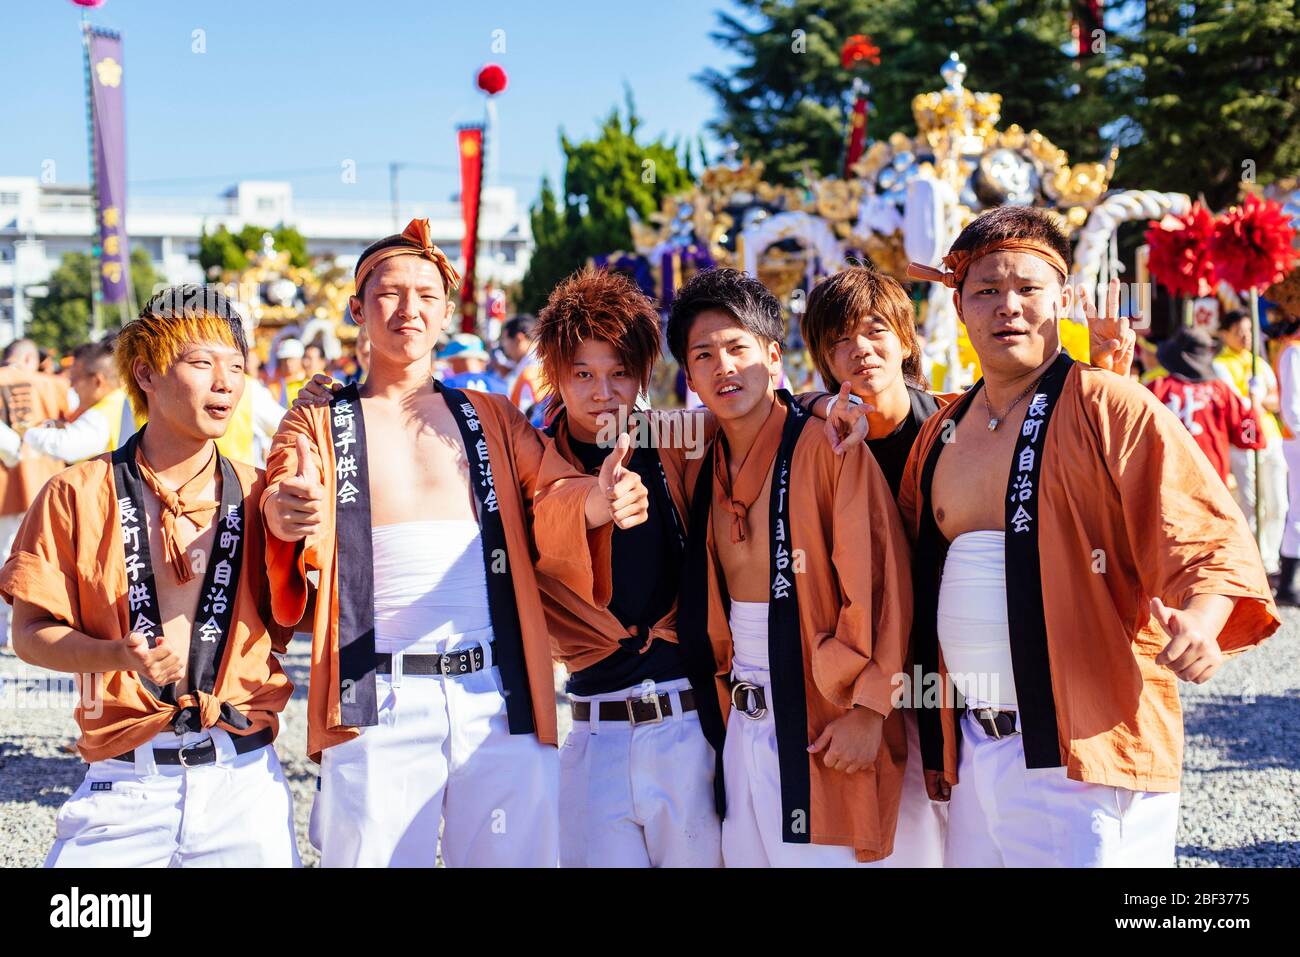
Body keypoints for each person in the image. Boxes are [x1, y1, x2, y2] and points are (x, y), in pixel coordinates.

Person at [260, 218, 650, 868]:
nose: (407, 308)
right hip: (374, 691)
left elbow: (550, 489)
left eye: (425, 293)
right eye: (389, 292)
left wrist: (597, 501)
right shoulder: (319, 417)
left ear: (446, 309)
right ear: (358, 307)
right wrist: (284, 511)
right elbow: (286, 484)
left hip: (497, 692)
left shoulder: (487, 413)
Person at [900, 205, 1279, 867]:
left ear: (1063, 300)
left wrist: (1202, 619)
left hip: (1085, 754)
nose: (1008, 307)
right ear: (959, 307)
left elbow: (1201, 532)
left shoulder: (1108, 402)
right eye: (987, 290)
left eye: (1028, 289)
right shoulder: (944, 427)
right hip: (973, 747)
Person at [0, 286, 298, 867]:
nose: (225, 382)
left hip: (244, 781)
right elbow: (29, 633)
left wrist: (298, 530)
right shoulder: (77, 493)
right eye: (202, 362)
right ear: (147, 373)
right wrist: (117, 655)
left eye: (237, 366)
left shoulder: (262, 494)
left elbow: (309, 611)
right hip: (122, 784)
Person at [667, 267, 914, 866]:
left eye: (736, 349)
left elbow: (881, 583)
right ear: (690, 378)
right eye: (703, 356)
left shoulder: (828, 446)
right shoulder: (696, 451)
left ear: (772, 356)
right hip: (741, 711)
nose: (723, 367)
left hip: (823, 710)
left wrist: (869, 709)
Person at [0, 338, 71, 646]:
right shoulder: (51, 384)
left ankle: (5, 630)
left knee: (4, 554)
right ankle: (43, 623)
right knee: (46, 556)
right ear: (30, 359)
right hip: (46, 481)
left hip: (5, 486)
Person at [1214, 309, 1286, 576]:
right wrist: (1256, 399)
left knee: (1278, 502)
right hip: (1243, 442)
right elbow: (1238, 405)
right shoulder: (1220, 364)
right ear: (1225, 334)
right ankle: (1250, 560)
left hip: (1270, 437)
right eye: (1238, 332)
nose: (1245, 336)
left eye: (1248, 331)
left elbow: (1278, 398)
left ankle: (1270, 557)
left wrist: (1259, 399)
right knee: (1250, 502)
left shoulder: (1259, 361)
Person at [1146, 325, 1264, 484]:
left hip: (1169, 479)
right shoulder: (1220, 391)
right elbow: (1249, 436)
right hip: (1212, 479)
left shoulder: (1158, 388)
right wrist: (1254, 402)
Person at [20, 337, 136, 464]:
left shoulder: (102, 414)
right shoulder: (125, 399)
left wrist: (25, 433)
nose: (71, 386)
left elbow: (63, 446)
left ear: (97, 381)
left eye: (75, 379)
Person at [1273, 314, 1300, 605]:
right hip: (1298, 439)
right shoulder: (1293, 352)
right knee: (1298, 508)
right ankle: (1289, 582)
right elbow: (1292, 407)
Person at [438, 333, 510, 395]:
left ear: (457, 361)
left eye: (451, 362)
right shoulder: (502, 387)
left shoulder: (446, 386)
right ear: (482, 361)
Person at [271, 338, 307, 408]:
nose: (288, 363)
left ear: (300, 359)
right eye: (284, 359)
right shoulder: (274, 382)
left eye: (291, 359)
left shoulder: (308, 382)